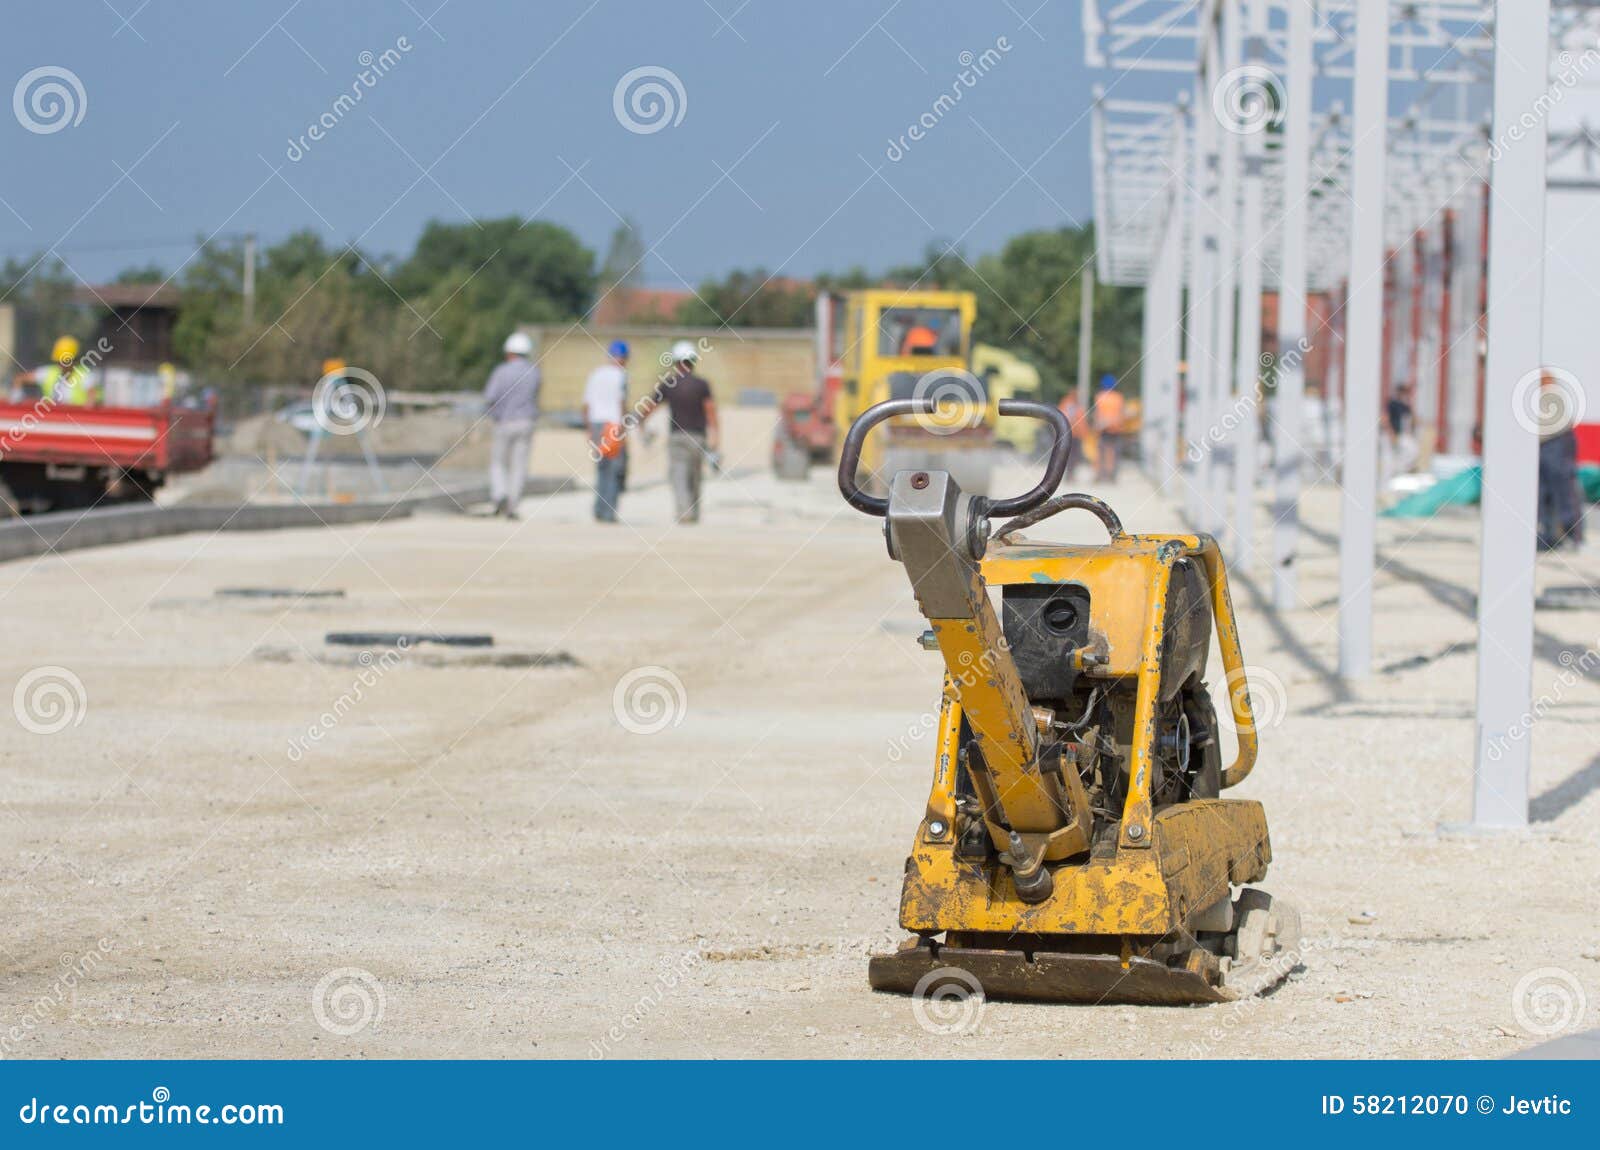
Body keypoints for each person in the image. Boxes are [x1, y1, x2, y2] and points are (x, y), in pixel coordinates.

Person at [640, 340, 719, 524]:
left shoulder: (669, 384)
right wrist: (715, 436)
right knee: (695, 476)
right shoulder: (702, 385)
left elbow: (651, 406)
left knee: (679, 475)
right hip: (698, 437)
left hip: (677, 437)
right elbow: (711, 412)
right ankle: (694, 511)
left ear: (676, 361)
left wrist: (640, 420)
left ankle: (684, 512)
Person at [483, 331, 541, 519]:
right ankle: (512, 504)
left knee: (498, 463)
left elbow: (490, 397)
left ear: (509, 352)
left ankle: (500, 495)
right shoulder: (534, 373)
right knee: (519, 466)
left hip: (504, 422)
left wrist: (495, 415)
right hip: (526, 422)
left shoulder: (501, 371)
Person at [584, 340, 630, 523]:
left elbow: (586, 405)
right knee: (614, 470)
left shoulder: (595, 374)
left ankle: (598, 508)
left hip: (596, 424)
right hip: (613, 425)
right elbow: (621, 402)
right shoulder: (621, 375)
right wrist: (624, 428)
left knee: (601, 468)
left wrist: (589, 429)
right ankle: (608, 511)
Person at [13, 336, 99, 406]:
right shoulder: (49, 372)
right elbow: (19, 379)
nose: (62, 365)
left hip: (76, 419)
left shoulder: (85, 375)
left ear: (74, 360)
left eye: (66, 361)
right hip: (51, 418)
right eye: (59, 361)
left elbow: (91, 400)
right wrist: (16, 395)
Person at [1091, 374, 1126, 482]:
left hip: (1103, 429)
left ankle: (1100, 475)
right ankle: (1112, 476)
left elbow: (1097, 414)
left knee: (1101, 452)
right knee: (1114, 453)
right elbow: (1121, 414)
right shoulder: (1119, 398)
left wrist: (1096, 426)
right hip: (1116, 429)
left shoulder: (1099, 396)